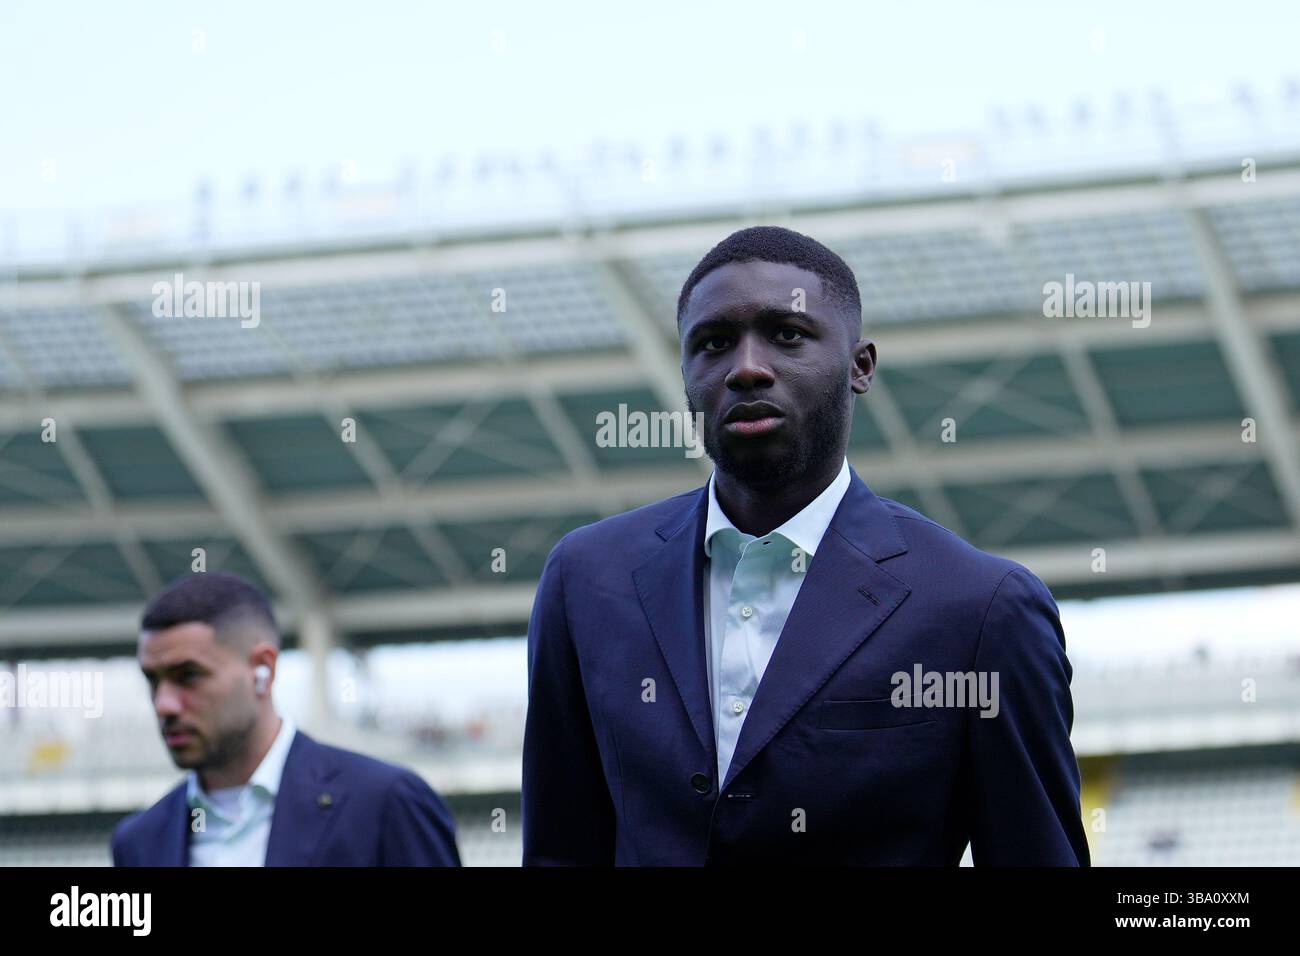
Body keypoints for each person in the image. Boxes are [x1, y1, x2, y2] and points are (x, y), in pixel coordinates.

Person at [523, 225, 1089, 865]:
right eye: (713, 344)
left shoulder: (982, 607)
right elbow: (560, 851)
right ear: (684, 373)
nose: (747, 368)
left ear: (860, 365)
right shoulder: (586, 579)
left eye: (787, 335)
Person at [111, 572, 461, 866]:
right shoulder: (138, 842)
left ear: (262, 669)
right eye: (153, 680)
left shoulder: (385, 803)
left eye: (188, 675)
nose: (164, 704)